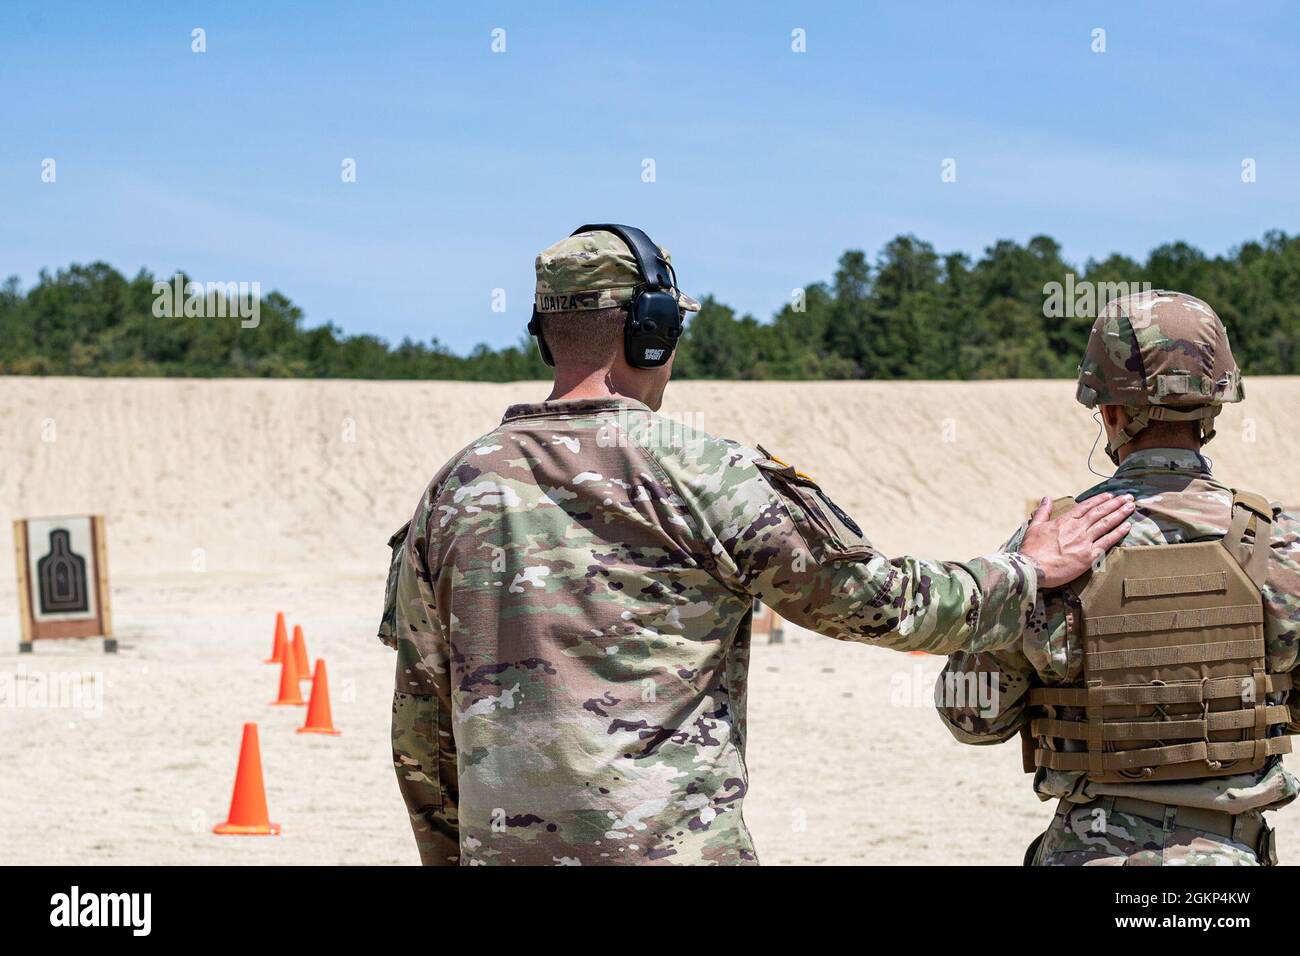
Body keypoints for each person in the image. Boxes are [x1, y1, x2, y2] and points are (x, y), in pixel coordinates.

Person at [380, 223, 1132, 865]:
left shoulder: (450, 493)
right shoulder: (708, 475)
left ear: (545, 334)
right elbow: (881, 607)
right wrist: (1023, 573)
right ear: (653, 331)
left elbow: (421, 730)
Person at [936, 289, 1300, 866]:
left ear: (1108, 411)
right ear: (1216, 409)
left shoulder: (1053, 544)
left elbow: (970, 716)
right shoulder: (1281, 542)